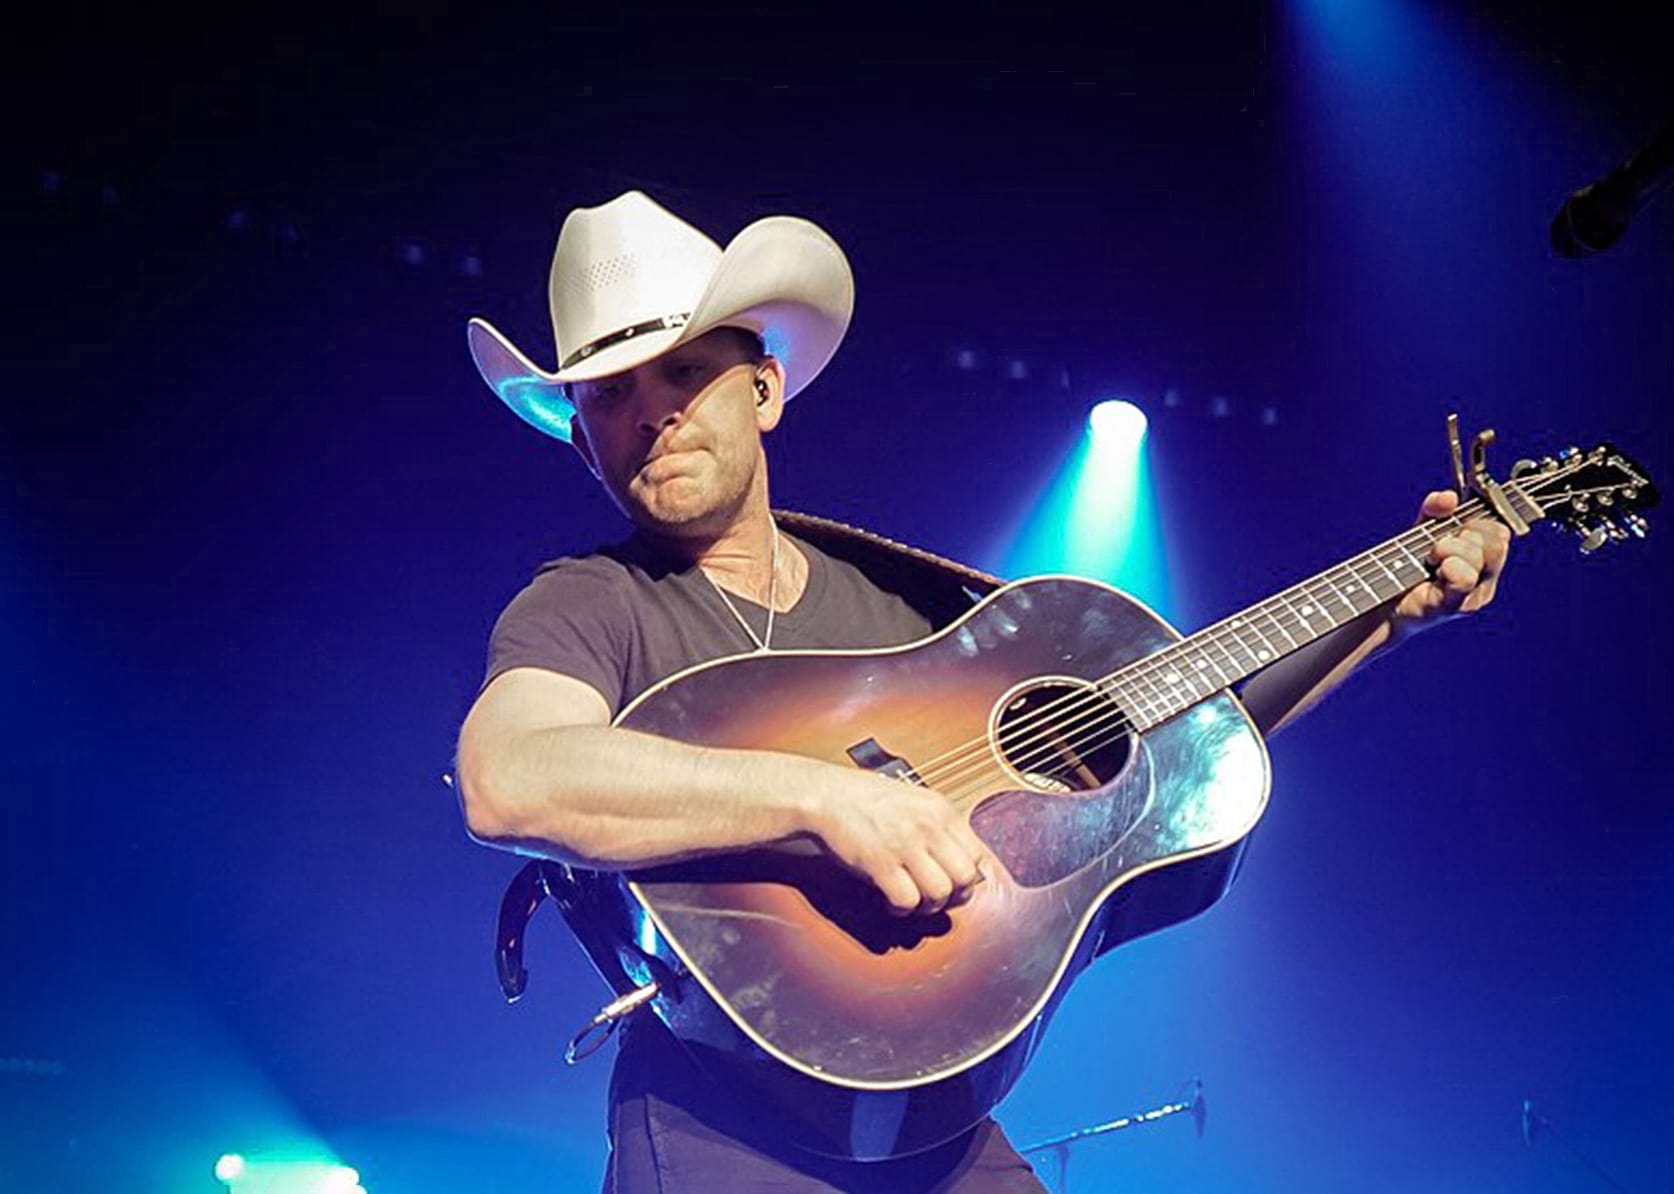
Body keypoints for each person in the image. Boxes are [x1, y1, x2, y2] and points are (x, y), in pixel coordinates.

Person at [454, 192, 1511, 1193]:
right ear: (583, 438)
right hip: (718, 1118)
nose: (654, 416)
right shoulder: (588, 603)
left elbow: (1158, 731)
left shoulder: (907, 608)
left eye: (685, 373)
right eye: (612, 396)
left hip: (936, 1117)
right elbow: (509, 780)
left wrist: (1386, 614)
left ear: (765, 387)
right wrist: (827, 800)